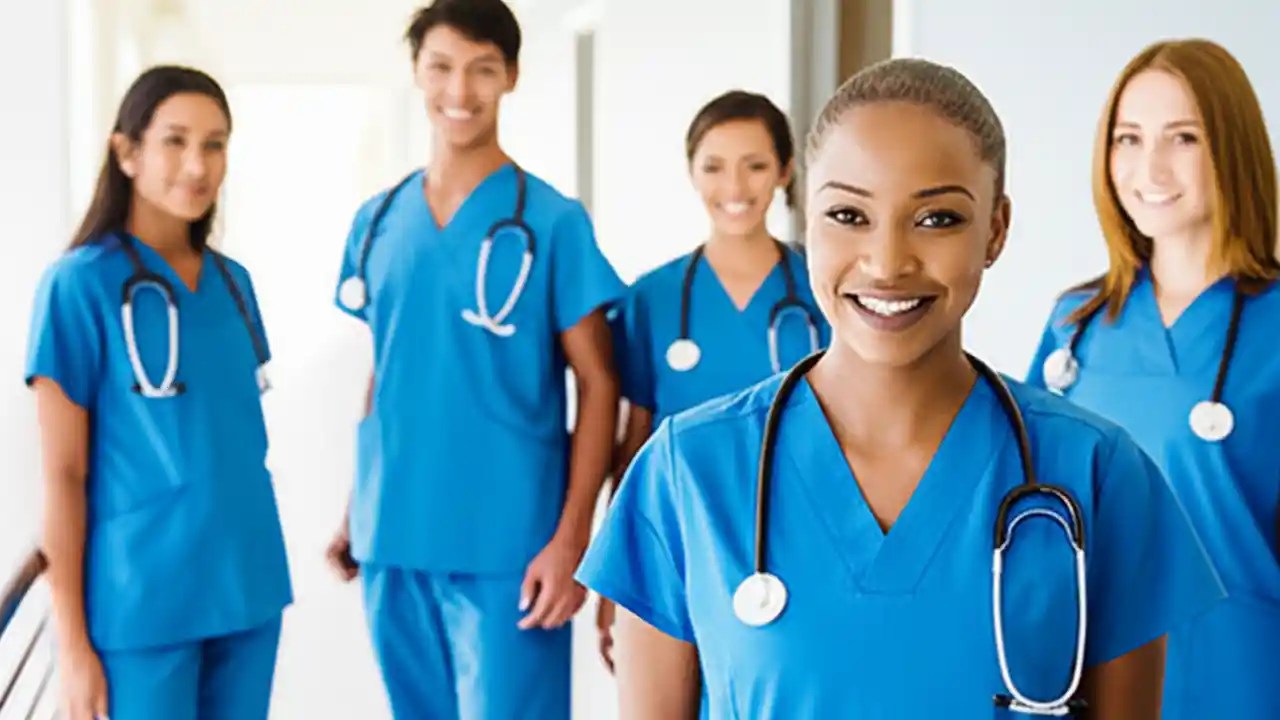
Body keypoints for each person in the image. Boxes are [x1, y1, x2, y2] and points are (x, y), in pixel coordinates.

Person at [575, 57, 1225, 719]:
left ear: (995, 230)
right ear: (808, 224)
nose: (887, 263)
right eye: (849, 215)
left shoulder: (1098, 475)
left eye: (937, 218)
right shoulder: (688, 473)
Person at [325, 1, 624, 718]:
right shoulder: (377, 220)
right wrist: (353, 507)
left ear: (511, 77)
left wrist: (572, 538)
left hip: (510, 540)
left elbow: (600, 380)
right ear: (417, 74)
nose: (459, 92)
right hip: (394, 530)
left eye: (482, 70)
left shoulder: (552, 221)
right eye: (442, 68)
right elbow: (388, 368)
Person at [24, 66, 291, 720]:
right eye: (175, 141)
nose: (197, 165)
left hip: (247, 588)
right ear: (126, 152)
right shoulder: (77, 287)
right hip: (138, 606)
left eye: (215, 143)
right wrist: (73, 644)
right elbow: (63, 473)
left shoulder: (234, 285)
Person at [1025, 38, 1280, 720]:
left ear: (1232, 147)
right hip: (1091, 681)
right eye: (1128, 139)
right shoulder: (1072, 328)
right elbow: (1027, 524)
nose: (1150, 167)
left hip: (1246, 681)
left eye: (1184, 138)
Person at [596, 90, 830, 671]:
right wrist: (618, 573)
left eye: (755, 165)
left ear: (784, 170)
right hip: (683, 535)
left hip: (804, 531)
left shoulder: (825, 286)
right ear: (691, 173)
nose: (736, 186)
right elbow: (635, 443)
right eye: (715, 166)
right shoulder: (653, 297)